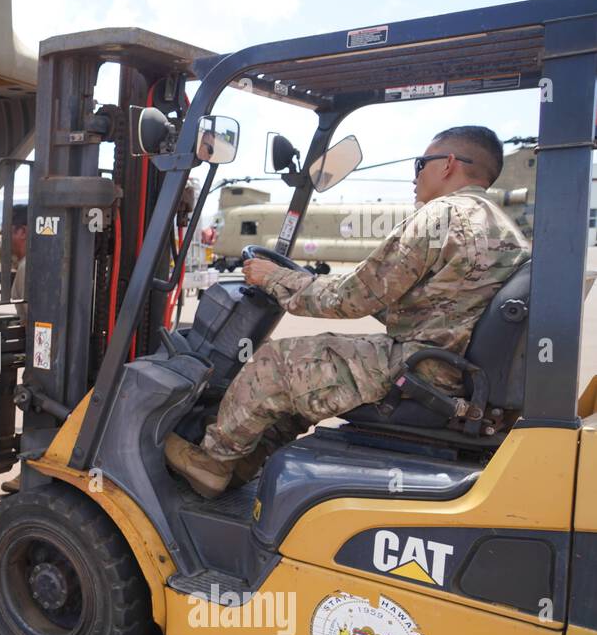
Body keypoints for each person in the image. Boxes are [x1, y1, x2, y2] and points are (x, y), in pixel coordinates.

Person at [165, 125, 532, 499]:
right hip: (452, 372)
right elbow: (435, 306)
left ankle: (212, 460)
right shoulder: (505, 229)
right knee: (313, 374)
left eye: (422, 163)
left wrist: (274, 278)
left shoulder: (443, 217)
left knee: (276, 360)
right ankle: (248, 458)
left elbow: (347, 299)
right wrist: (303, 282)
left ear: (449, 164)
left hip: (421, 372)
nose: (416, 175)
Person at [0, 204, 30, 495]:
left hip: (46, 352)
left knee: (37, 401)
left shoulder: (27, 266)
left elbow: (35, 320)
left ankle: (33, 471)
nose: (0, 240)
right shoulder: (30, 263)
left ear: (21, 232)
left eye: (4, 233)